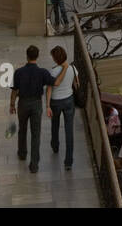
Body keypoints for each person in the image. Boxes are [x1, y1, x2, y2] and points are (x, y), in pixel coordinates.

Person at [9, 45, 51, 173]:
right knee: (36, 133)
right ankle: (34, 164)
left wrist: (11, 105)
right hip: (36, 103)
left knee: (22, 129)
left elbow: (15, 91)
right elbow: (52, 83)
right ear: (37, 57)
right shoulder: (43, 72)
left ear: (27, 56)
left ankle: (22, 153)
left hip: (23, 103)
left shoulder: (19, 72)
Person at [46, 45, 77, 169]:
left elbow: (49, 89)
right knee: (69, 131)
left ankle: (55, 145)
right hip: (69, 100)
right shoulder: (73, 68)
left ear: (55, 58)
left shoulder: (52, 72)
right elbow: (76, 83)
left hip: (55, 102)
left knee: (55, 124)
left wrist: (47, 105)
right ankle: (68, 162)